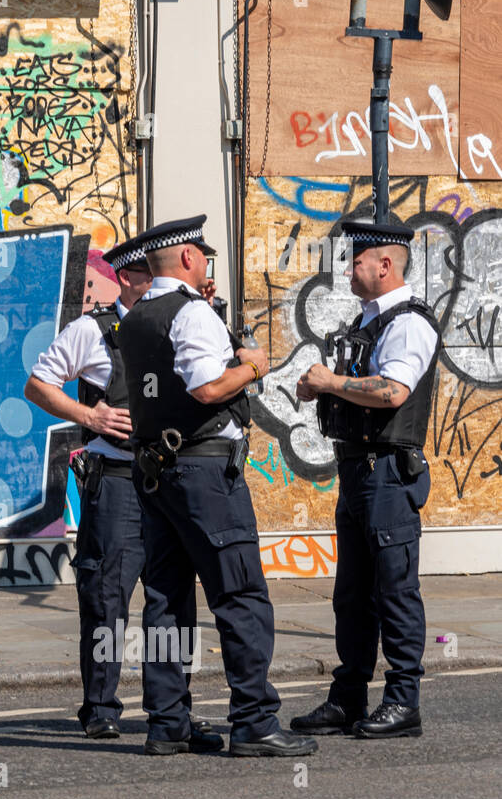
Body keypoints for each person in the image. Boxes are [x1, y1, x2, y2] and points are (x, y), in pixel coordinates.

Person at [115, 215, 318, 757]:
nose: (207, 262)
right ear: (186, 258)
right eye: (202, 254)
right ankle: (254, 721)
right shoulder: (191, 313)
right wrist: (252, 366)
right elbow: (207, 388)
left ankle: (168, 722)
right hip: (205, 470)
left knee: (164, 597)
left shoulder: (135, 318)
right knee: (240, 593)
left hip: (156, 471)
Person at [24, 234, 219, 750]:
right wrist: (89, 415)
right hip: (117, 480)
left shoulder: (185, 317)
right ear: (129, 277)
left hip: (173, 477)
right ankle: (102, 706)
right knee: (107, 595)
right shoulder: (94, 329)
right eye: (147, 271)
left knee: (173, 600)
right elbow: (38, 383)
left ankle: (173, 709)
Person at [291, 219, 441, 739]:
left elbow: (393, 392)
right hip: (357, 471)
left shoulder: (409, 322)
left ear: (384, 264)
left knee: (395, 590)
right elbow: (362, 389)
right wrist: (324, 391)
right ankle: (349, 697)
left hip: (388, 475)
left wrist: (333, 381)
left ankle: (404, 701)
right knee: (352, 594)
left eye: (357, 261)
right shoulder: (369, 321)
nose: (349, 270)